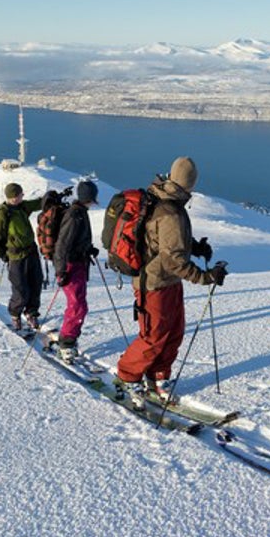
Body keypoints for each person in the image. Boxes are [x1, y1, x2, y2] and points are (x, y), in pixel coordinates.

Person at [115, 157, 227, 397]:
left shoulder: (169, 200)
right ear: (189, 183)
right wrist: (206, 277)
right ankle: (127, 375)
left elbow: (167, 242)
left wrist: (195, 247)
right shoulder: (170, 211)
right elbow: (172, 260)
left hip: (169, 282)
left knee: (174, 332)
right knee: (153, 336)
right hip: (154, 283)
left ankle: (158, 374)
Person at [51, 180, 101, 362]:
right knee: (78, 306)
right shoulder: (74, 215)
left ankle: (70, 340)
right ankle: (66, 343)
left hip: (78, 264)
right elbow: (62, 245)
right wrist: (61, 271)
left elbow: (76, 240)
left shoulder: (80, 212)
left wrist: (88, 249)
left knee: (79, 305)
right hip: (70, 266)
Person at [0, 182, 45, 331]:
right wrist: (1, 254)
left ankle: (31, 313)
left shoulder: (22, 207)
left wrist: (51, 198)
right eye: (20, 195)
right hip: (15, 256)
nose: (22, 196)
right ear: (13, 197)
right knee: (20, 290)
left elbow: (38, 203)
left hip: (31, 252)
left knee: (35, 283)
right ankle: (15, 314)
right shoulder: (3, 214)